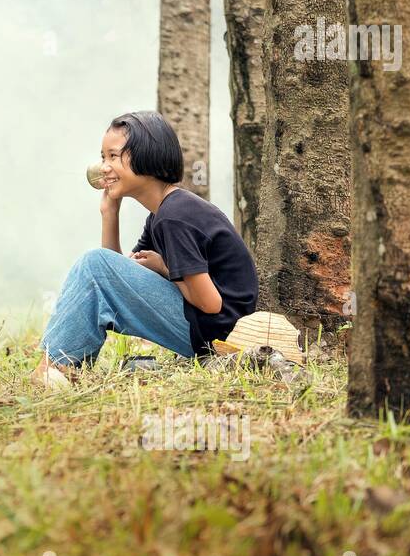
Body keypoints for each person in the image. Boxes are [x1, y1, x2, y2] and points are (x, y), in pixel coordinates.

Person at [33, 111, 258, 389]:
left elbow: (211, 304)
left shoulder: (175, 216)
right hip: (203, 326)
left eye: (113, 157)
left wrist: (164, 268)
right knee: (96, 266)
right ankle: (62, 365)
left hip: (216, 332)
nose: (104, 167)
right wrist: (109, 214)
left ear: (147, 157)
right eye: (103, 157)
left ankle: (56, 365)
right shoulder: (160, 216)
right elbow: (116, 278)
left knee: (93, 264)